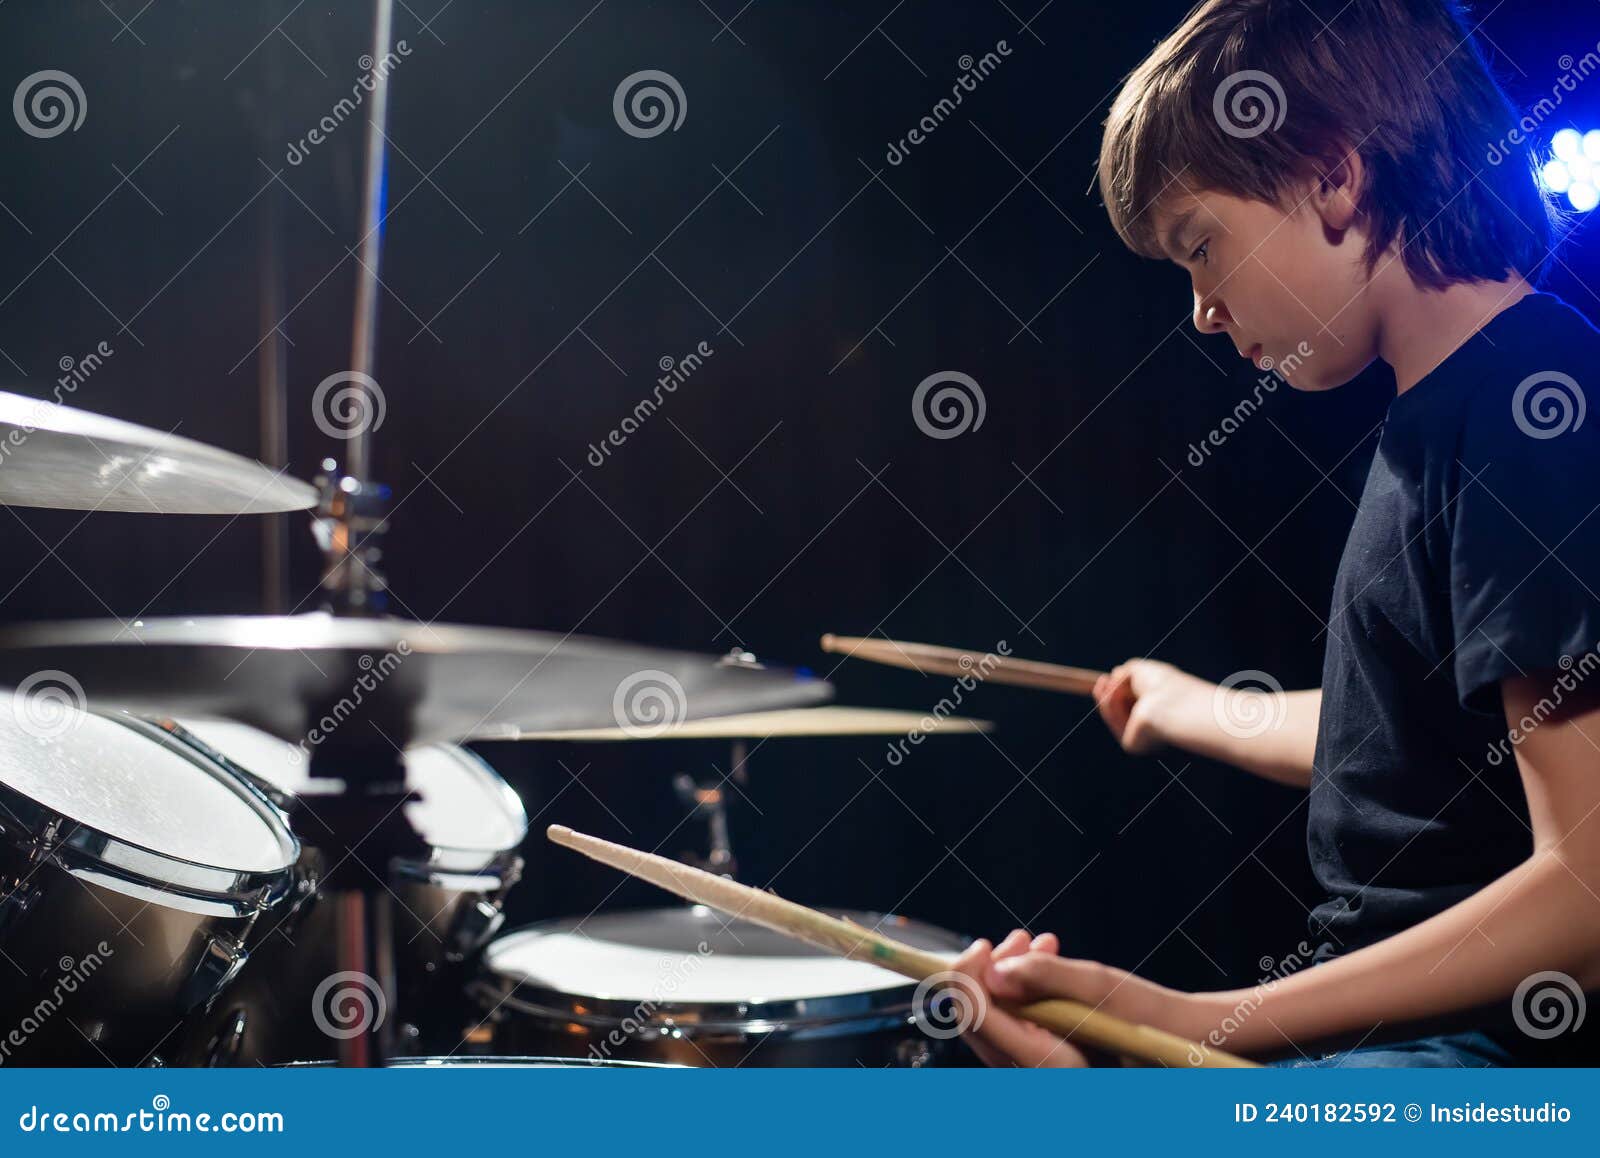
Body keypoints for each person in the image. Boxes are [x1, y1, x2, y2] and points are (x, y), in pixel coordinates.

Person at [953, 0, 1600, 1067]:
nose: (1200, 309)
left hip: (1477, 1061)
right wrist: (1191, 709)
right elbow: (1412, 752)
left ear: (1331, 178)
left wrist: (1179, 1022)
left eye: (1198, 248)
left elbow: (1585, 896)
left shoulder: (1532, 411)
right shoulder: (1450, 412)